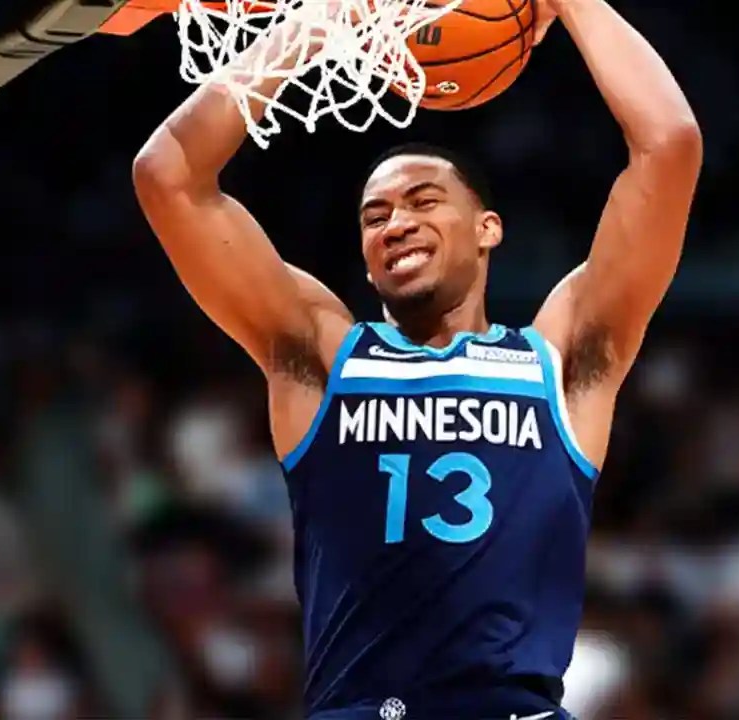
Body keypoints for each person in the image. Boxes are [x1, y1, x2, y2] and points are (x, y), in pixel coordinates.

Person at [131, 0, 701, 716]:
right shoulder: (318, 353)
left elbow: (669, 144)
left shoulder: (561, 358)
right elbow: (168, 175)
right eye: (375, 216)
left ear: (488, 229)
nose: (397, 222)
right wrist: (318, 23)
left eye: (423, 201)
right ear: (367, 264)